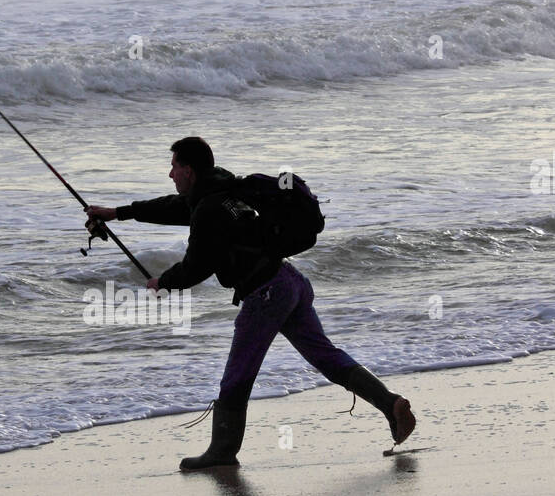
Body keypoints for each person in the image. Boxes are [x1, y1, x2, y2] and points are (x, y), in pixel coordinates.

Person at [86, 136, 416, 470]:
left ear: (188, 170)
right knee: (326, 357)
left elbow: (198, 265)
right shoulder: (224, 194)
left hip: (266, 295)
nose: (170, 173)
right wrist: (118, 213)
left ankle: (222, 451)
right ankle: (391, 405)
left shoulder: (209, 208)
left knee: (237, 375)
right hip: (289, 282)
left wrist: (164, 282)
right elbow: (174, 207)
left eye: (174, 166)